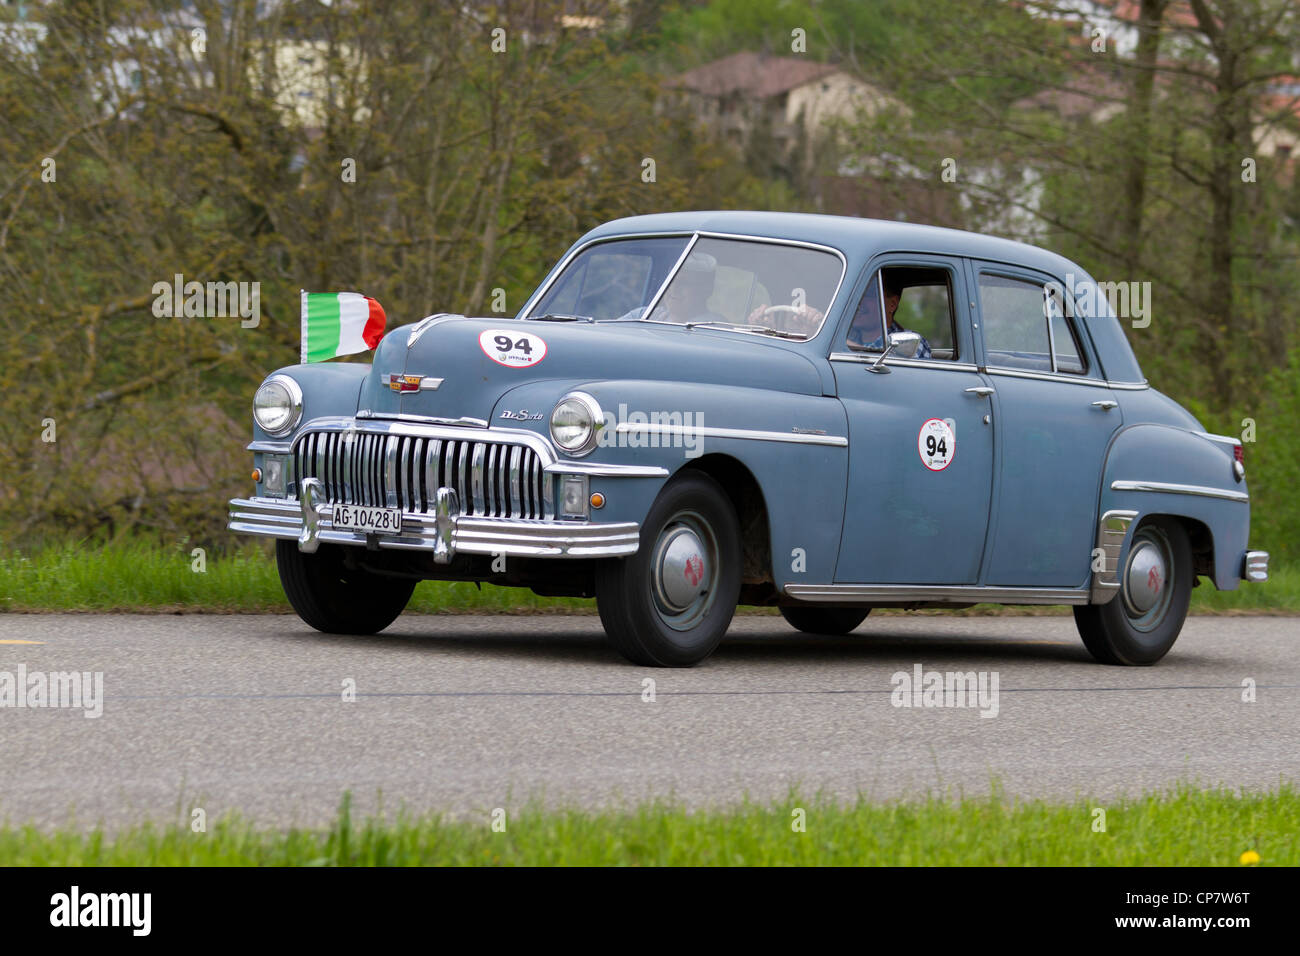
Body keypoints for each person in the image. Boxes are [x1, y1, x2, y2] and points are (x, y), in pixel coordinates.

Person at [621, 252, 728, 324]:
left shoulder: (714, 326)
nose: (673, 289)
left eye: (684, 283)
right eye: (671, 281)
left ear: (706, 289)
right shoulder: (643, 315)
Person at [847, 274, 932, 358]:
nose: (858, 301)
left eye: (868, 294)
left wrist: (848, 345)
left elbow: (896, 370)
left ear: (892, 304)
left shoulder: (912, 343)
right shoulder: (845, 337)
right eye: (857, 294)